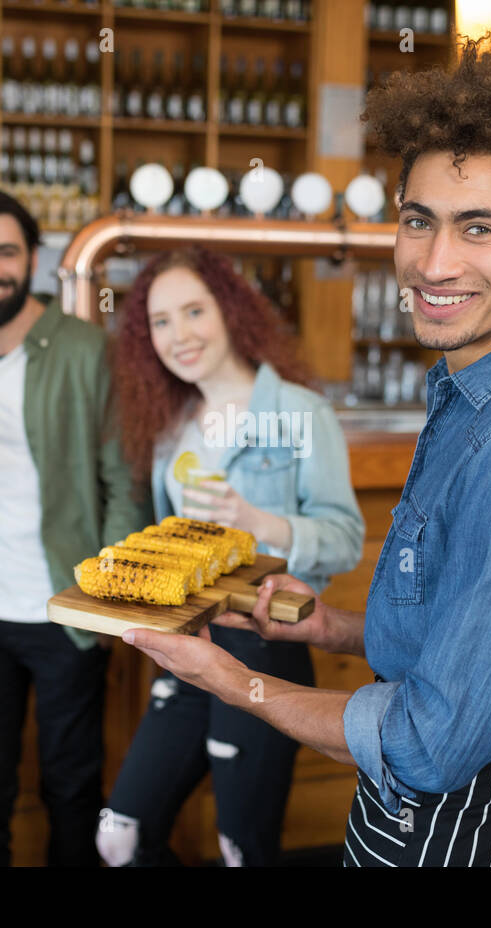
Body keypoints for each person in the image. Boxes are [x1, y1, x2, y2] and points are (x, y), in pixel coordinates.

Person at [119, 31, 491, 867]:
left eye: (479, 228)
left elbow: (432, 744)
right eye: (417, 222)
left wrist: (234, 683)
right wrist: (332, 629)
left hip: (470, 829)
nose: (435, 263)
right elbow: (470, 636)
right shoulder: (479, 390)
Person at [95, 246, 365, 867]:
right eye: (160, 321)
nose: (179, 334)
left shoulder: (302, 412)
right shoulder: (171, 424)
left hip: (267, 647)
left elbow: (344, 537)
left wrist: (254, 521)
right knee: (119, 837)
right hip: (189, 646)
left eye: (194, 311)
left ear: (230, 310)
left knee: (240, 848)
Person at [0, 189, 152, 866]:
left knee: (72, 788)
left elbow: (123, 481)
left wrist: (105, 598)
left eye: (5, 251)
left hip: (64, 611)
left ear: (34, 260)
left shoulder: (84, 349)